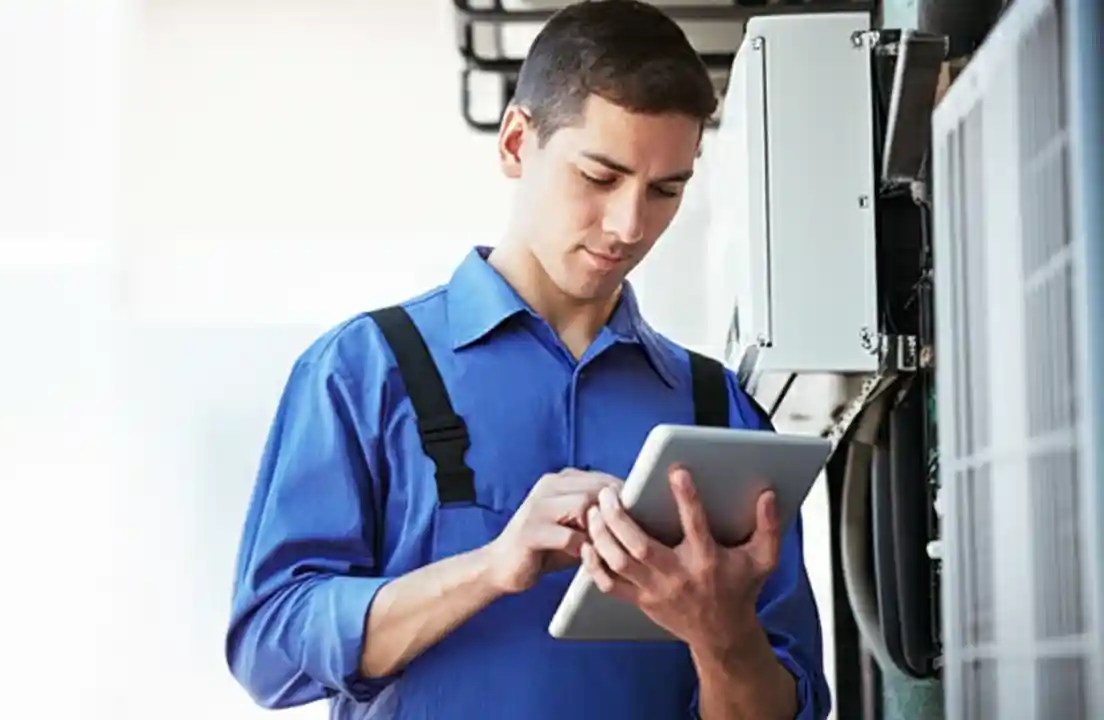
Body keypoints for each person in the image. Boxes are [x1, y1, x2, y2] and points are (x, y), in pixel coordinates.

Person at [224, 2, 829, 718]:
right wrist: (490, 568)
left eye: (666, 190)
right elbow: (269, 650)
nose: (630, 225)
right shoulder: (362, 372)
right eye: (599, 177)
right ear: (516, 143)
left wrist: (721, 635)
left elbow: (789, 706)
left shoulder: (715, 409)